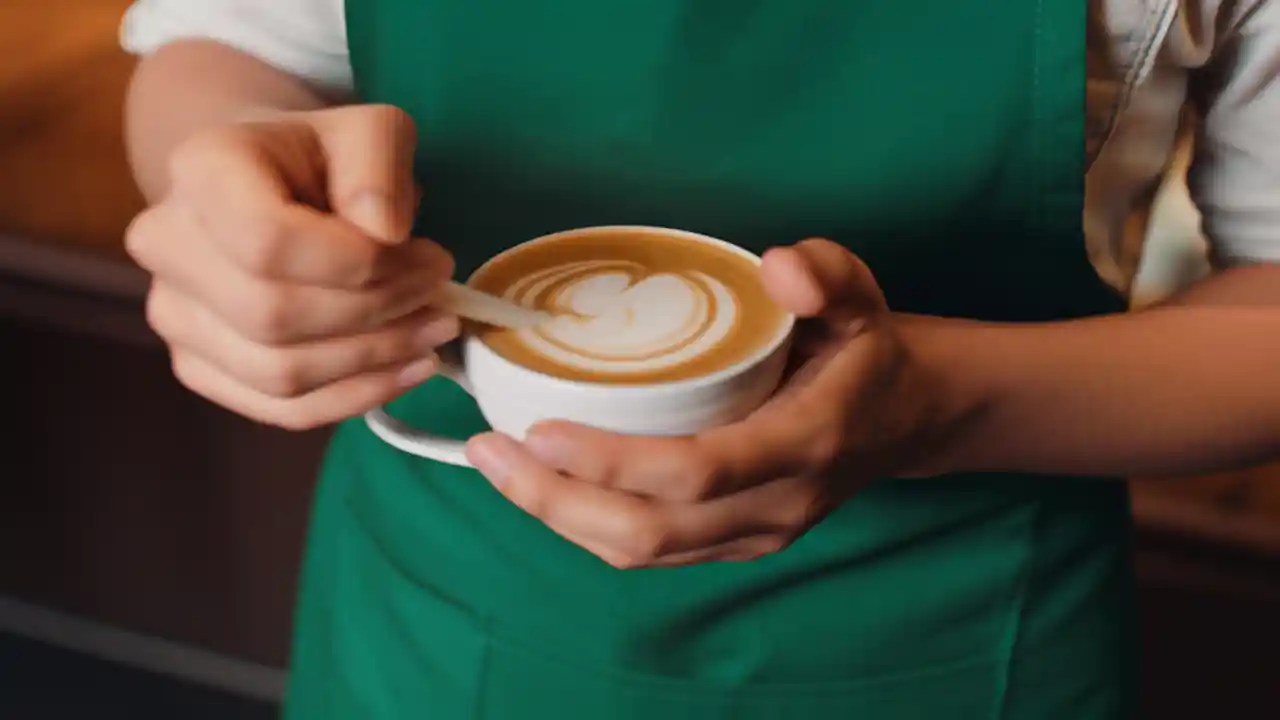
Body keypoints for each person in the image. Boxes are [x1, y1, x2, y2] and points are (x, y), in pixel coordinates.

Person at [119, 1, 1280, 717]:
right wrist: (223, 187)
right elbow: (224, 47)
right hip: (437, 598)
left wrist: (939, 406)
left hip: (967, 632)